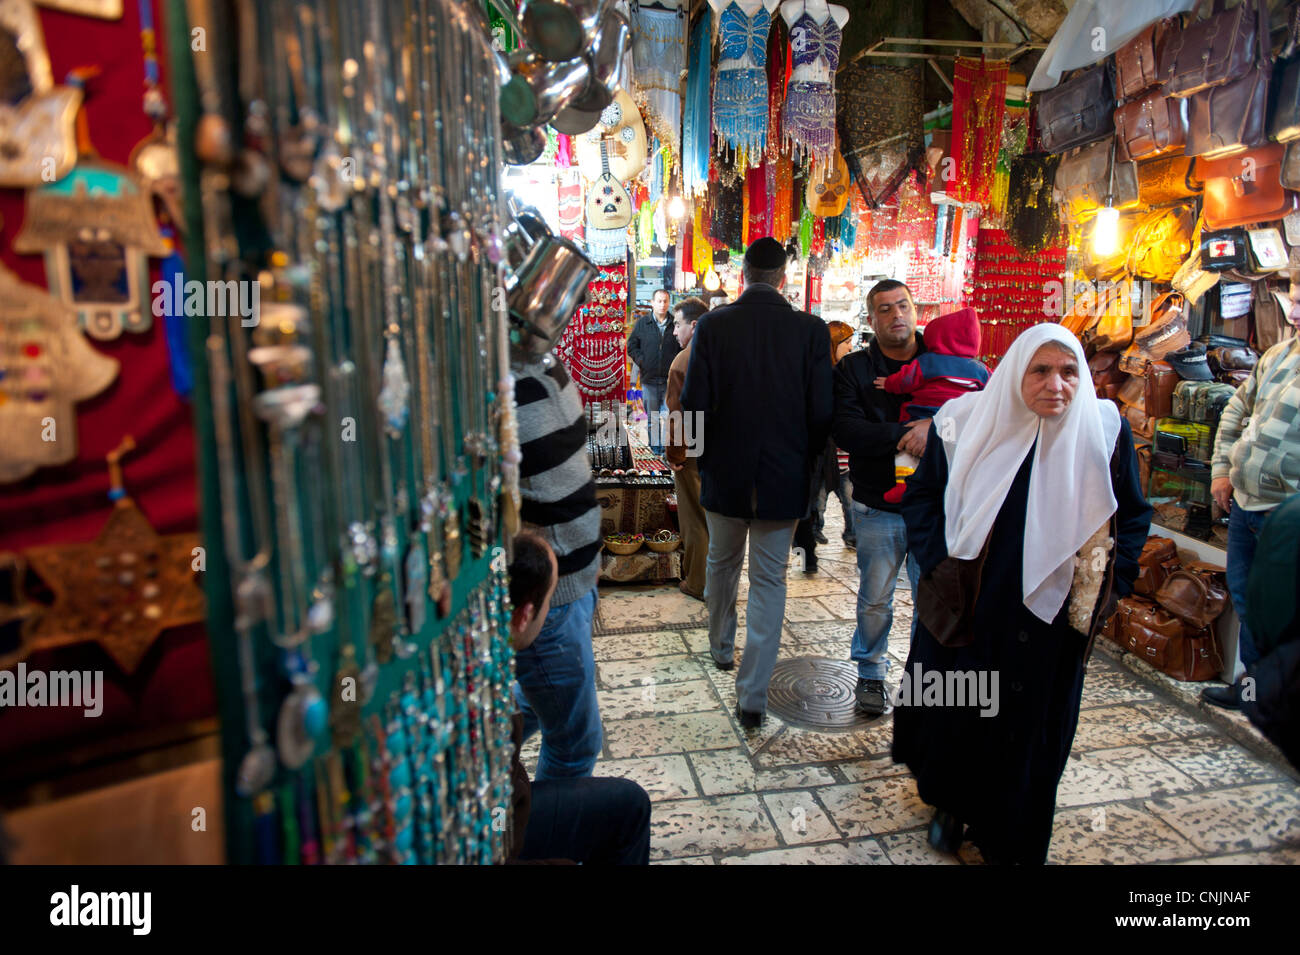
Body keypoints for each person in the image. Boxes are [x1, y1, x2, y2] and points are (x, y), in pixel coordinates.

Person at [894, 324, 1151, 864]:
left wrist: (1112, 586)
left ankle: (1008, 828)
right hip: (973, 603)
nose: (1056, 385)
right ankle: (953, 805)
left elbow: (1131, 515)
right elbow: (922, 498)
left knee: (1031, 724)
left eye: (1069, 371)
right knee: (963, 708)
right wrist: (938, 563)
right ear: (1015, 373)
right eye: (1041, 370)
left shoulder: (1104, 431)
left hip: (1052, 617)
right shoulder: (966, 422)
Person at [680, 237, 833, 728]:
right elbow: (821, 413)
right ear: (784, 278)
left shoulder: (714, 326)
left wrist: (695, 461)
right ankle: (752, 696)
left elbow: (693, 403)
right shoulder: (810, 331)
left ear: (741, 275)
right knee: (769, 580)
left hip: (725, 475)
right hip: (782, 480)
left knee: (722, 564)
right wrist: (805, 467)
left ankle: (721, 647)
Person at [506, 532, 652, 865]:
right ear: (524, 616)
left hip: (506, 807)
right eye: (551, 603)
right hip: (504, 823)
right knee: (582, 750)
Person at [832, 279, 929, 715]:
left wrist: (938, 430)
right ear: (872, 319)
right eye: (885, 309)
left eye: (902, 306)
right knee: (875, 598)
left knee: (933, 599)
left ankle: (926, 678)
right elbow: (847, 430)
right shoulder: (853, 369)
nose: (896, 316)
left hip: (936, 505)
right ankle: (871, 673)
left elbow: (974, 418)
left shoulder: (944, 360)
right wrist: (910, 434)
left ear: (915, 309)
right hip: (876, 505)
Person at [512, 354, 603, 780]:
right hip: (551, 599)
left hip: (573, 587)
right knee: (575, 744)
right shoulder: (493, 385)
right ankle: (545, 840)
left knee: (536, 699)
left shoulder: (540, 360)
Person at [1205, 327, 1300, 709]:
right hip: (1246, 502)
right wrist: (1221, 470)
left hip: (1288, 513)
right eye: (1294, 299)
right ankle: (1252, 693)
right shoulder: (1279, 354)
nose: (1293, 311)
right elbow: (1237, 408)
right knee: (1248, 602)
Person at [874, 306, 989, 503]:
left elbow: (907, 380)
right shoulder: (980, 369)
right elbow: (990, 396)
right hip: (957, 421)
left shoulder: (928, 361)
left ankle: (903, 483)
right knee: (950, 455)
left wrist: (889, 383)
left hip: (922, 414)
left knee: (907, 450)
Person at [665, 296, 711, 600]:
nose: (673, 332)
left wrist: (675, 454)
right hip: (723, 450)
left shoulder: (684, 360)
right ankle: (719, 580)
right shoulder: (724, 353)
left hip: (694, 451)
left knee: (695, 519)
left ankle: (697, 582)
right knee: (716, 519)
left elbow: (678, 415)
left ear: (693, 326)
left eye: (677, 324)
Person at [627, 288, 681, 455]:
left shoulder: (675, 323)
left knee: (668, 417)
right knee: (652, 418)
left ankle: (666, 450)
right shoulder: (643, 323)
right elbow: (631, 346)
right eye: (659, 301)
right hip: (649, 379)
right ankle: (655, 451)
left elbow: (682, 346)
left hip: (669, 380)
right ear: (652, 303)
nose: (662, 304)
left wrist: (676, 364)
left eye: (665, 301)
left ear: (669, 303)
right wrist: (642, 361)